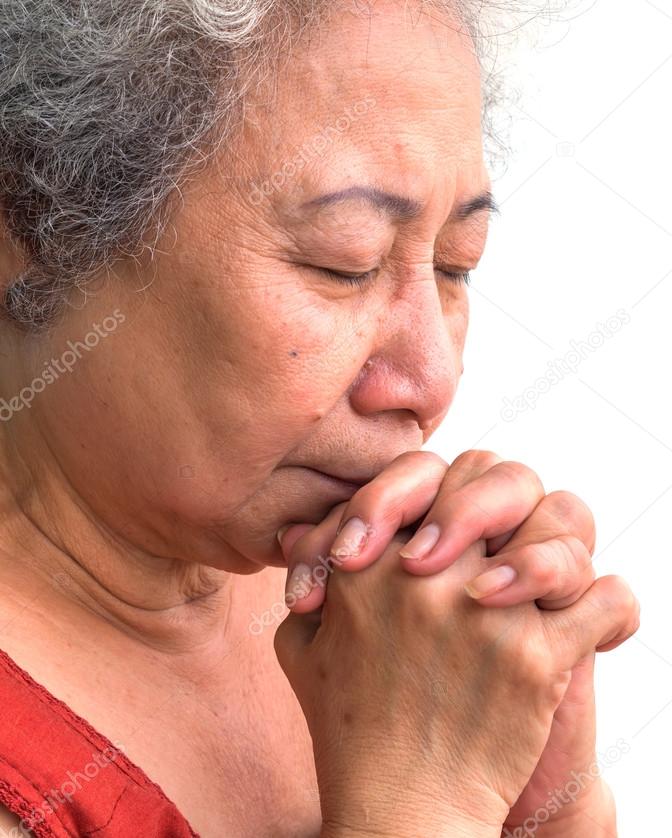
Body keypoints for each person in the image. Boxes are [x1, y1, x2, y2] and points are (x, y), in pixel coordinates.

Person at [0, 1, 639, 835]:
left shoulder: (394, 619)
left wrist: (546, 807)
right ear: (34, 226)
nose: (430, 380)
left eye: (455, 265)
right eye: (345, 263)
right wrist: (423, 802)